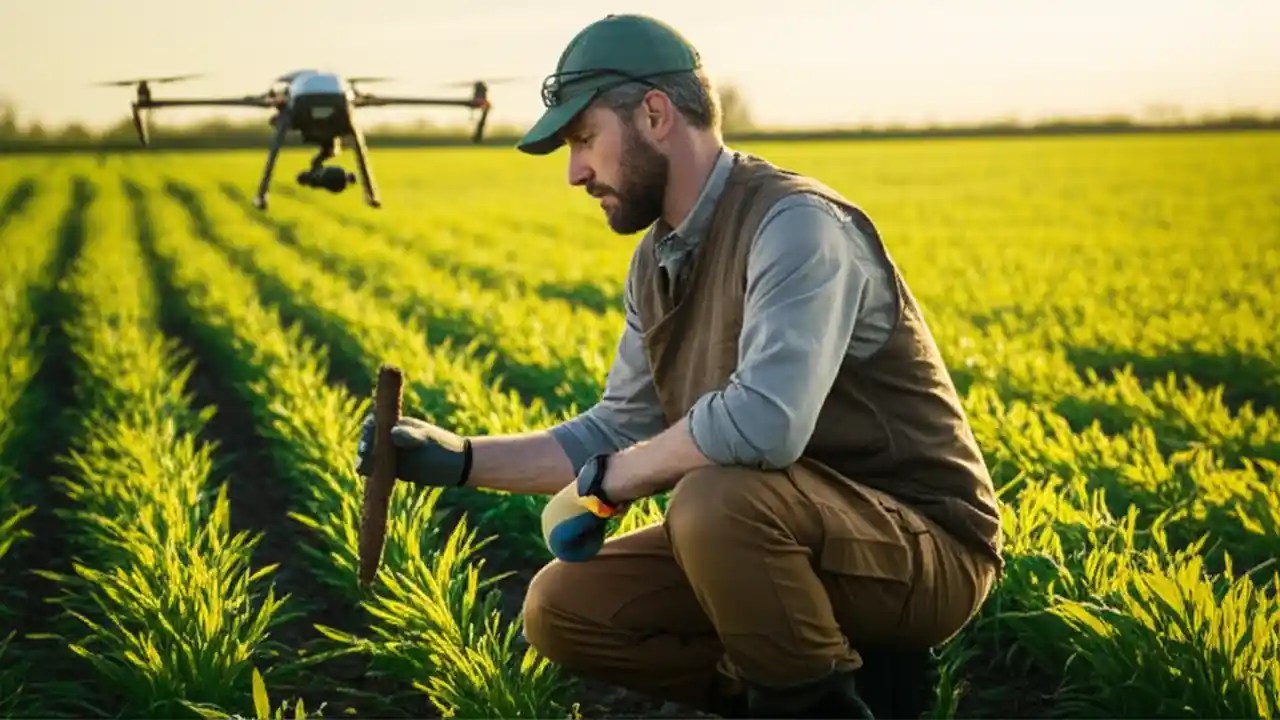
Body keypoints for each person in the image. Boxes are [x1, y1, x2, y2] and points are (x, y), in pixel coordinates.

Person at [354, 13, 1004, 719]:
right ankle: (842, 691)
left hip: (924, 549)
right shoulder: (655, 262)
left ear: (655, 114)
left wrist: (620, 477)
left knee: (714, 499)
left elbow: (765, 426)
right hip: (787, 536)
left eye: (583, 139)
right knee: (561, 606)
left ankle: (818, 700)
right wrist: (459, 459)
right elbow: (616, 426)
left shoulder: (797, 224)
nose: (574, 172)